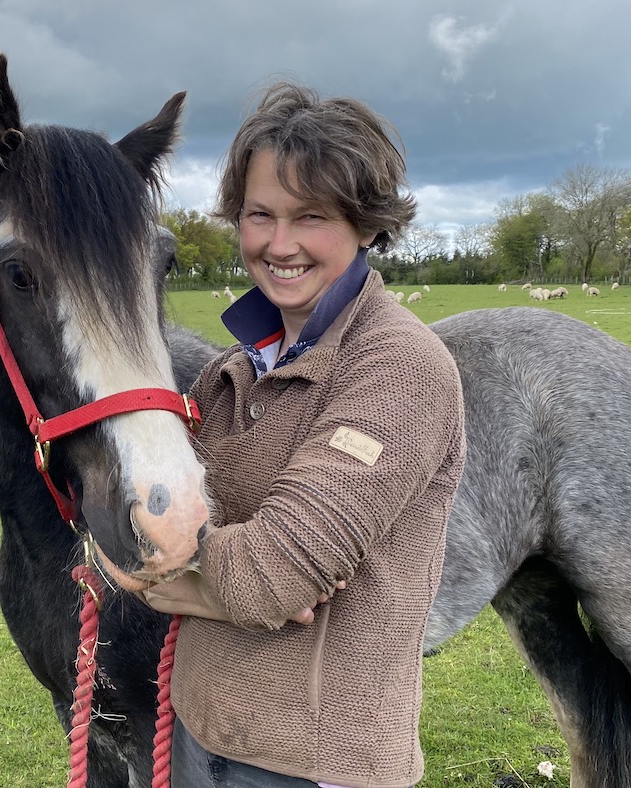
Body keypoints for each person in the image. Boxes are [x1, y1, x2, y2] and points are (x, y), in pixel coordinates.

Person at [140, 84, 466, 787]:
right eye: (260, 214)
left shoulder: (401, 368)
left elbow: (269, 577)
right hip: (201, 731)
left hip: (313, 760)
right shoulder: (231, 371)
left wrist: (205, 578)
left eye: (311, 216)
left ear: (366, 225)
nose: (279, 244)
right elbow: (139, 536)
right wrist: (223, 582)